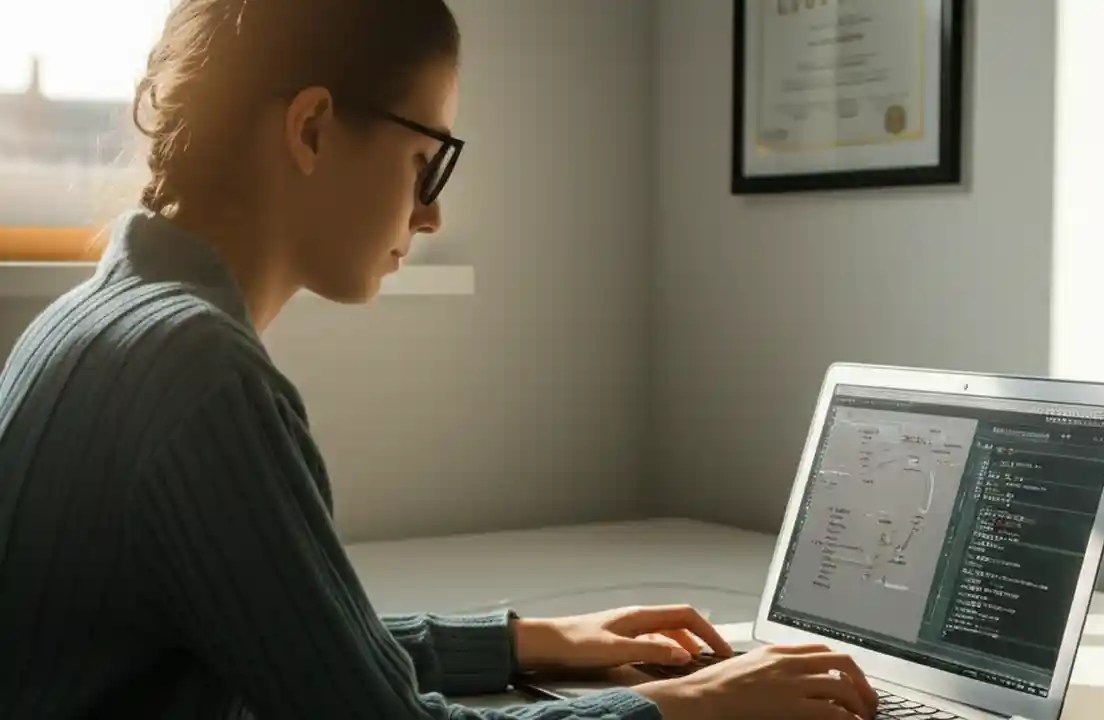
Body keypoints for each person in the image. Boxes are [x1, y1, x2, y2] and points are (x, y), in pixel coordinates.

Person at [0, 1, 879, 718]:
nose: (431, 217)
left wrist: (525, 640)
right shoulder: (202, 378)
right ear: (311, 128)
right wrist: (689, 707)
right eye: (429, 161)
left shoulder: (82, 324)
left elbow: (290, 636)